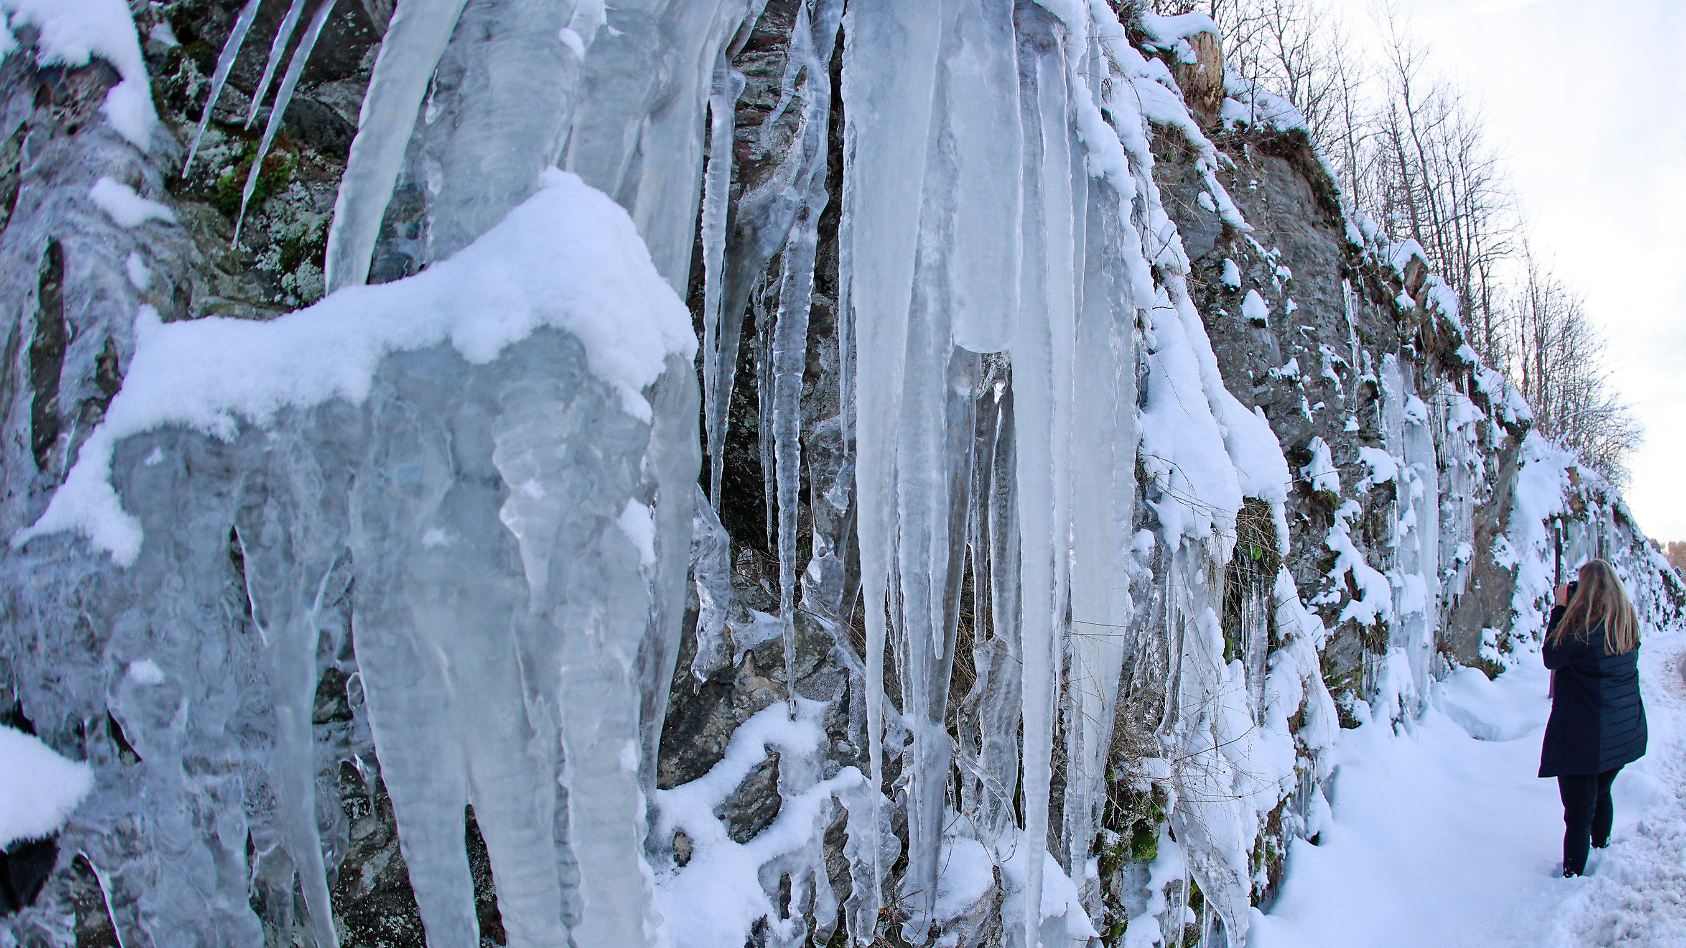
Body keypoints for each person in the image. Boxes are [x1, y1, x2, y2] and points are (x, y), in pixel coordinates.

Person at [1539, 558, 1647, 877]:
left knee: (1578, 813)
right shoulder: (1625, 625)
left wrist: (1560, 609)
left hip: (1586, 738)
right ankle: (1602, 850)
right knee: (1600, 793)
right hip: (1620, 734)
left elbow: (1551, 656)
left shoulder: (1582, 630)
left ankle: (1573, 877)